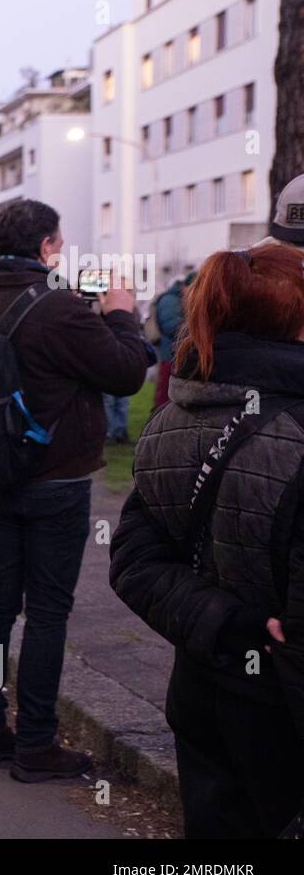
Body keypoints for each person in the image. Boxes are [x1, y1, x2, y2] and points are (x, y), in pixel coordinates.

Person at [110, 243, 304, 837]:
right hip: (281, 709)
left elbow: (134, 563)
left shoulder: (171, 417)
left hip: (203, 685)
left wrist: (226, 623)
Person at [0, 199, 148, 781]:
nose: (63, 251)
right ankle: (36, 744)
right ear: (46, 247)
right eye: (60, 243)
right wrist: (120, 312)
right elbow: (126, 371)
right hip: (55, 478)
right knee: (47, 611)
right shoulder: (60, 308)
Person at [152, 276, 188, 410]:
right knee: (165, 393)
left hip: (175, 354)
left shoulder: (176, 298)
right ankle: (158, 421)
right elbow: (171, 326)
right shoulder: (170, 300)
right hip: (169, 354)